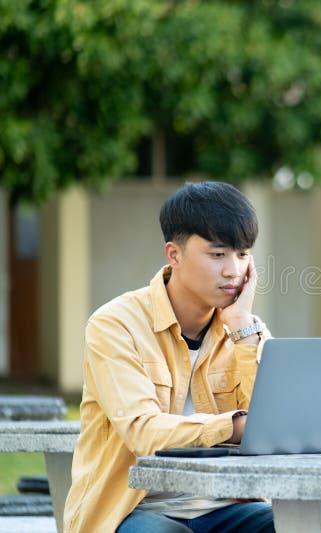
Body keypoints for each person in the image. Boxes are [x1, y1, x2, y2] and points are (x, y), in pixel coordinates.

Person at [63, 182, 275, 532]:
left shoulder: (246, 332)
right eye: (218, 254)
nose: (233, 270)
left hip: (226, 507)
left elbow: (274, 427)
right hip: (131, 509)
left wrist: (241, 329)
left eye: (242, 254)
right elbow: (143, 432)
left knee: (308, 524)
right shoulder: (115, 325)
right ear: (174, 255)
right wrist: (235, 426)